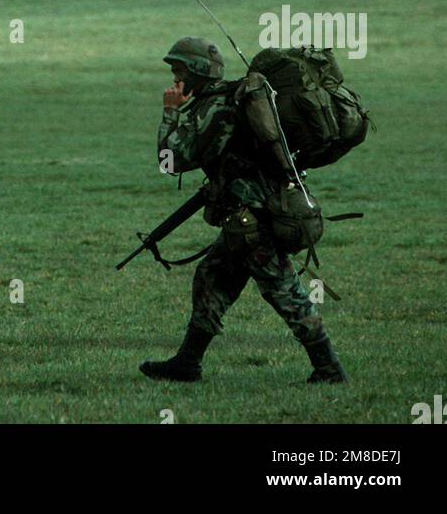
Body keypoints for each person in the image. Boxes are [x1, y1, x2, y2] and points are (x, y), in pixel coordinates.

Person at [140, 36, 348, 384]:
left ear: (197, 72)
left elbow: (170, 160)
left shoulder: (215, 108)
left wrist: (170, 113)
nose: (174, 79)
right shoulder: (225, 100)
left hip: (254, 219)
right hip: (246, 214)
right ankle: (187, 363)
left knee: (284, 292)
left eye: (179, 71)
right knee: (212, 280)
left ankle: (330, 369)